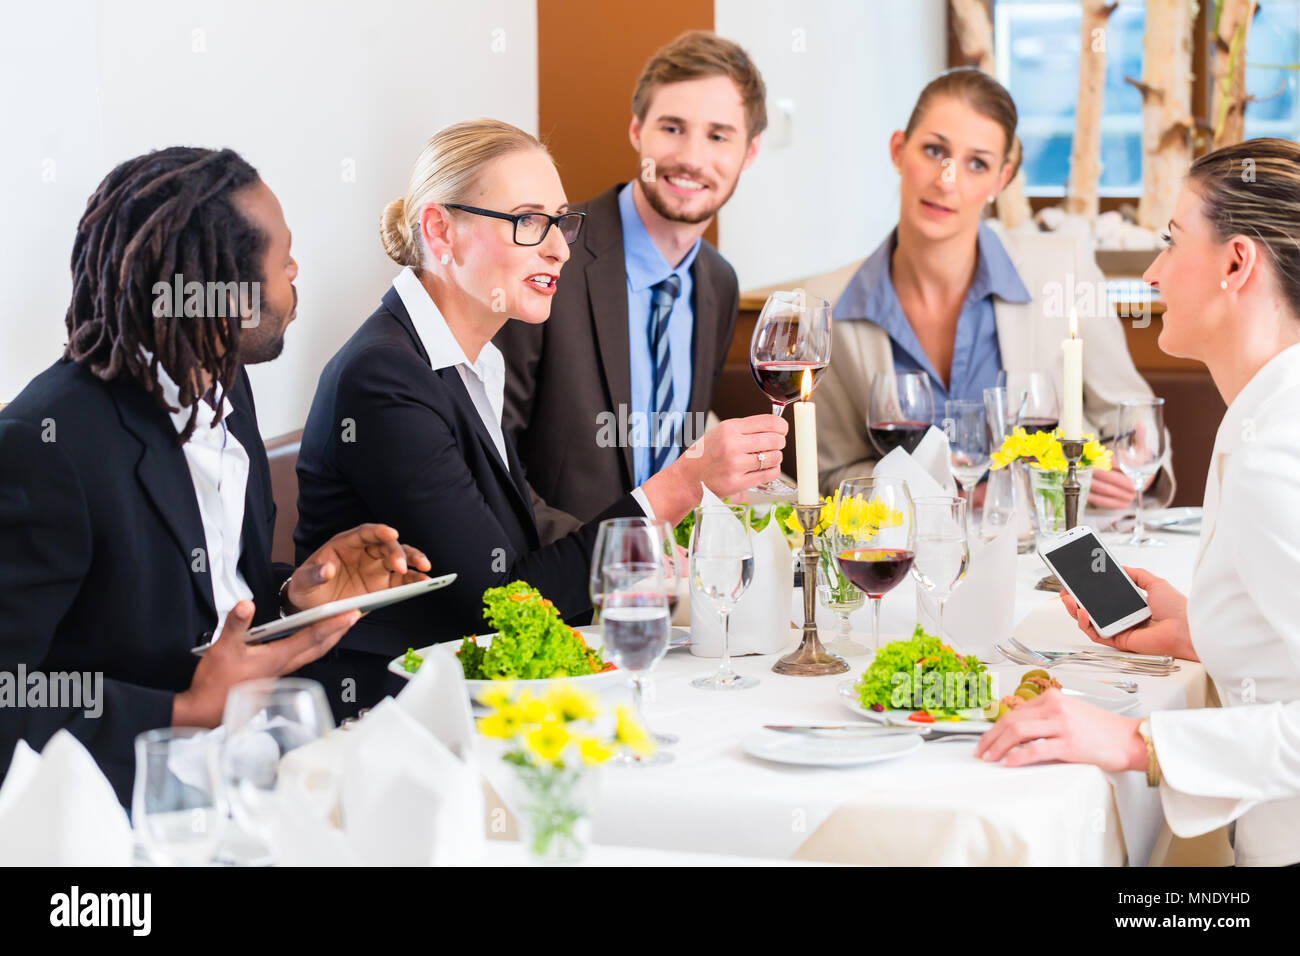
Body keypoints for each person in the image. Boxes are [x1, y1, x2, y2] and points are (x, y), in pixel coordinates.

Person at [294, 119, 786, 711]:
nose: (558, 247)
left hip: (480, 694)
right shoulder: (384, 378)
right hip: (395, 715)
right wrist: (679, 486)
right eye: (529, 222)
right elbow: (499, 599)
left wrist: (653, 552)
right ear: (440, 231)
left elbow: (514, 545)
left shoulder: (473, 362)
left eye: (559, 222)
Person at [0, 147, 430, 806]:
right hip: (135, 814)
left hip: (268, 773)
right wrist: (182, 709)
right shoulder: (47, 443)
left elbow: (216, 607)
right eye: (281, 258)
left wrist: (294, 599)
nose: (295, 270)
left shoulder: (227, 386)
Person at [976, 138, 1300, 867]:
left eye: (1170, 242)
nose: (1152, 273)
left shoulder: (1275, 453)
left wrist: (1131, 740)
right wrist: (1204, 628)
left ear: (1236, 263)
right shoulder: (1270, 414)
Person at [810, 68, 1173, 507]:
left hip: (1047, 555)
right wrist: (962, 495)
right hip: (904, 563)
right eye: (933, 150)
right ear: (898, 150)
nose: (947, 180)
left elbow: (1133, 426)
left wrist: (1124, 466)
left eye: (976, 163)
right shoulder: (827, 305)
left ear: (1000, 180)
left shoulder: (1064, 271)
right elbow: (831, 475)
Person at [494, 30, 767, 543]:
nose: (690, 157)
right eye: (672, 127)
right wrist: (611, 561)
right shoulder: (550, 252)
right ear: (637, 130)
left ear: (749, 152)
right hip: (563, 590)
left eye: (718, 135)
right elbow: (490, 458)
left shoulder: (718, 282)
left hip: (675, 583)